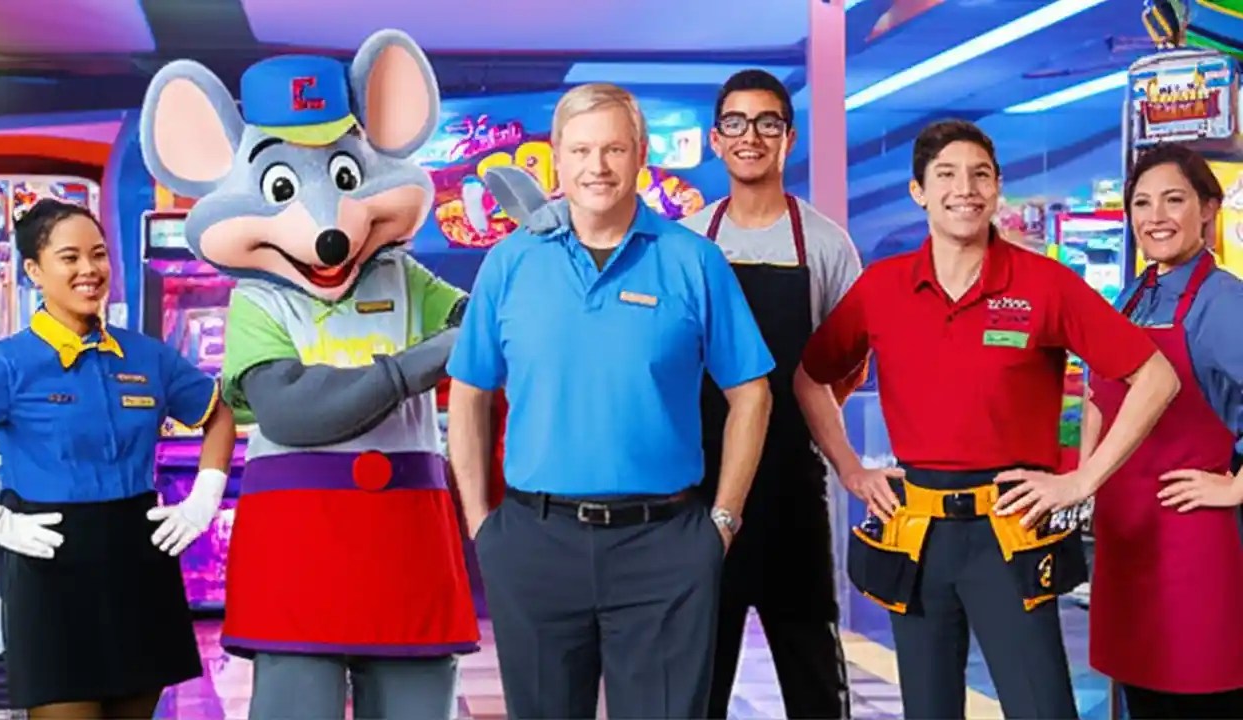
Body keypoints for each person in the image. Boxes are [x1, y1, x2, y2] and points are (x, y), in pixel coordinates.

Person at [139, 32, 480, 720]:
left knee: (418, 701)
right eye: (286, 188)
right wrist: (427, 361)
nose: (328, 228)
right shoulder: (256, 300)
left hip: (407, 534)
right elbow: (293, 410)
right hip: (299, 539)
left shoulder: (403, 276)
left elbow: (488, 325)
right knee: (298, 701)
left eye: (345, 179)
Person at [794, 119, 1180, 719]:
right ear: (919, 190)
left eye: (980, 175)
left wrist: (1083, 479)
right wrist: (849, 468)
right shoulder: (883, 288)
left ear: (997, 188)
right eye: (946, 175)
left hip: (1011, 529)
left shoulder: (1044, 284)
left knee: (1044, 708)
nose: (965, 188)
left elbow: (1156, 375)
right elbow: (810, 376)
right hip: (916, 529)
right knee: (929, 710)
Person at [447, 82, 775, 720]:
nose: (597, 167)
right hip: (534, 545)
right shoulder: (510, 263)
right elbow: (469, 393)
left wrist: (723, 523)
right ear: (558, 160)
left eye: (614, 149)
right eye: (582, 151)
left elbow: (753, 395)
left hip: (666, 549)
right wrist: (480, 524)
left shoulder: (694, 262)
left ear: (641, 154)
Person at [0, 199, 236, 719]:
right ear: (33, 271)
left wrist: (203, 499)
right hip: (49, 561)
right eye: (69, 257)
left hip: (139, 554)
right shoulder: (7, 365)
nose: (89, 270)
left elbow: (216, 416)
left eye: (98, 254)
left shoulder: (146, 356)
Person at [680, 69, 862, 719]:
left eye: (766, 123)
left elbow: (848, 366)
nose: (749, 136)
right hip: (701, 492)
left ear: (788, 139)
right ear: (715, 139)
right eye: (735, 123)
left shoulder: (827, 244)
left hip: (793, 493)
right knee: (698, 674)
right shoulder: (688, 243)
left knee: (813, 673)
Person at [1085, 142, 1243, 719]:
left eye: (1174, 200)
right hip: (1132, 547)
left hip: (1194, 551)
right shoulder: (1133, 297)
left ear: (1208, 209)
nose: (1155, 217)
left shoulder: (1222, 302)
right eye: (1142, 203)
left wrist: (1236, 486)